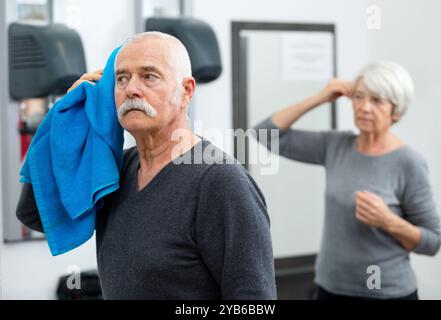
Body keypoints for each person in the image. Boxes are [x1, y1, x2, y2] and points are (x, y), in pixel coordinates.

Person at [16, 31, 277, 300]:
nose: (131, 89)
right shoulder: (116, 170)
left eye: (149, 76)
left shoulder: (221, 182)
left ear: (186, 91)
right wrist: (68, 116)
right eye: (121, 79)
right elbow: (35, 214)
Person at [253, 61, 441, 300]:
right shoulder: (336, 145)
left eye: (376, 100)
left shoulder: (409, 163)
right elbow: (265, 134)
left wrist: (388, 221)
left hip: (386, 292)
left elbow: (432, 241)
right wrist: (319, 97)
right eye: (359, 97)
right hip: (330, 288)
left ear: (396, 111)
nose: (364, 107)